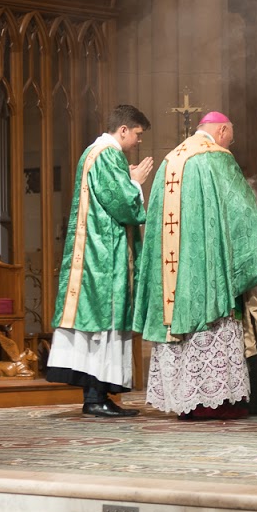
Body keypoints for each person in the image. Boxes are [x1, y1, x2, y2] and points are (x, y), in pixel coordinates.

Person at [131, 111, 257, 420]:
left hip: (173, 277)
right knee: (214, 318)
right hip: (208, 273)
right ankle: (217, 400)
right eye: (230, 137)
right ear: (220, 131)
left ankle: (185, 397)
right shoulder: (217, 158)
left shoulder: (170, 160)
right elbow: (242, 211)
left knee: (178, 320)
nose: (229, 144)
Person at [45, 103, 154, 417]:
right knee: (102, 324)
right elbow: (122, 204)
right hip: (103, 256)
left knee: (98, 328)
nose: (138, 142)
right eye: (137, 134)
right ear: (123, 130)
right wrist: (135, 183)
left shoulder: (95, 153)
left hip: (97, 250)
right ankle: (95, 397)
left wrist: (127, 177)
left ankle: (99, 396)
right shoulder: (107, 154)